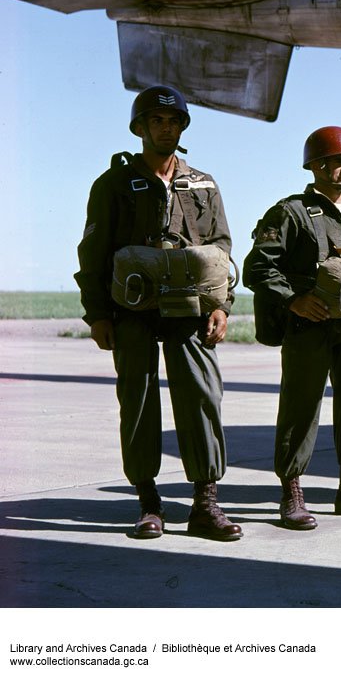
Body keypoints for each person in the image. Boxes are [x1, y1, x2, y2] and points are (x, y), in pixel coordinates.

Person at [75, 85, 242, 541]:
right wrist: (98, 316)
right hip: (133, 311)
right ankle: (149, 503)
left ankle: (205, 503)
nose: (165, 129)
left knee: (203, 400)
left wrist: (222, 306)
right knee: (140, 401)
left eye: (173, 122)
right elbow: (94, 253)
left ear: (181, 128)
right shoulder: (112, 185)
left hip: (191, 308)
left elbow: (222, 249)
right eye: (156, 122)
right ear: (141, 128)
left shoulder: (203, 184)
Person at [242, 126, 341, 529]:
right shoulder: (290, 212)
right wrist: (295, 299)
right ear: (316, 166)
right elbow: (257, 267)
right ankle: (291, 492)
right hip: (309, 326)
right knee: (301, 407)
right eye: (338, 161)